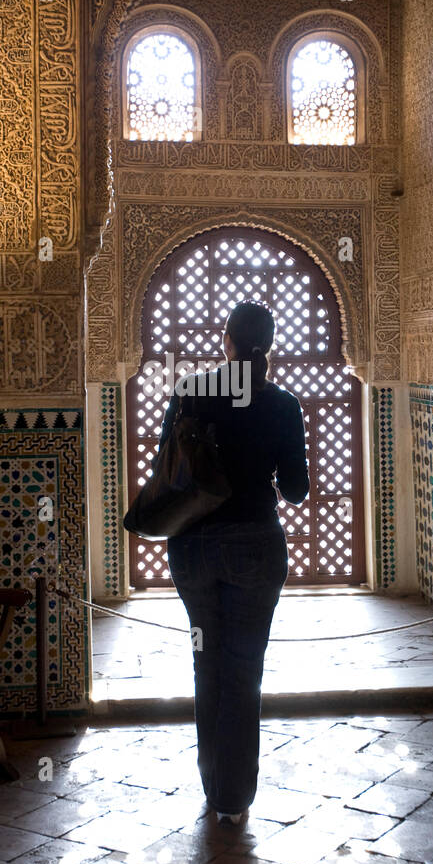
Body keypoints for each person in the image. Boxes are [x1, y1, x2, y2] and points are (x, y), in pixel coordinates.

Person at [157, 300, 309, 825]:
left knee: (208, 664)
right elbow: (295, 490)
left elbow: (165, 470)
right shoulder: (282, 405)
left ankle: (214, 786)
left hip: (193, 548)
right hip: (254, 548)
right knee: (244, 672)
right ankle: (234, 799)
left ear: (226, 340)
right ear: (269, 344)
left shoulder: (191, 393)